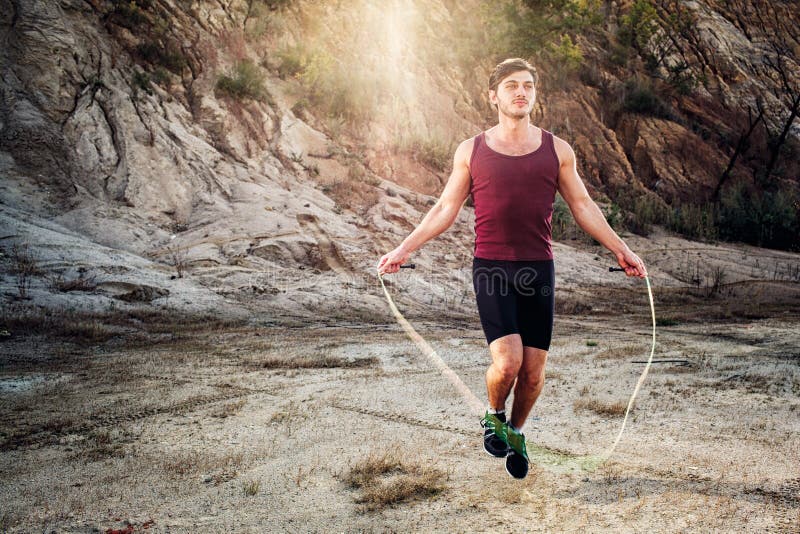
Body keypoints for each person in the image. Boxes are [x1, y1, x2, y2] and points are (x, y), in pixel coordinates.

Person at [376, 58, 648, 479]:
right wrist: (403, 249)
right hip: (492, 268)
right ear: (493, 96)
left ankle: (516, 432)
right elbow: (446, 207)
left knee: (534, 374)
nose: (520, 92)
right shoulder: (472, 150)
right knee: (508, 364)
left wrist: (620, 248)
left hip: (538, 270)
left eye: (527, 86)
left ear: (534, 94)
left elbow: (582, 205)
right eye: (510, 86)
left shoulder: (557, 150)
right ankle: (493, 414)